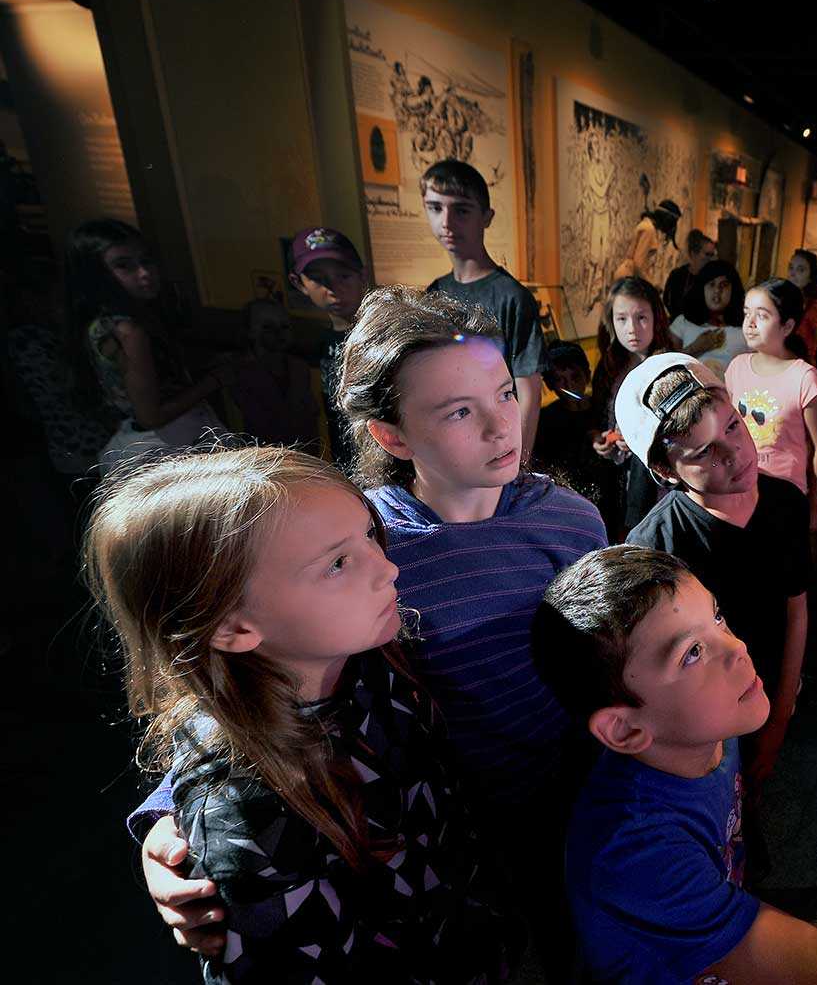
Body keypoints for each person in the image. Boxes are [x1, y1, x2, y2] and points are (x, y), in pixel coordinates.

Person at [135, 288, 607, 983]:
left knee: (574, 934)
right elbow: (252, 674)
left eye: (506, 394)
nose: (501, 426)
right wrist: (165, 820)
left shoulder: (569, 519)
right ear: (391, 435)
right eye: (458, 412)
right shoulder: (360, 540)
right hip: (444, 819)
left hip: (570, 788)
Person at [90, 446, 517, 982]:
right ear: (233, 627)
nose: (387, 566)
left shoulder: (370, 652)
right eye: (338, 563)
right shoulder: (249, 818)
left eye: (370, 534)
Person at [531, 544, 817, 983]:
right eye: (692, 653)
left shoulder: (707, 728)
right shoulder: (637, 856)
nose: (737, 647)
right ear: (625, 731)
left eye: (717, 616)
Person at [619, 354, 810, 788]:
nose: (735, 453)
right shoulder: (654, 548)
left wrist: (779, 716)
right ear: (666, 471)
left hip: (775, 686)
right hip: (709, 720)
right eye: (705, 452)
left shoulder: (786, 502)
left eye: (732, 426)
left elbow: (796, 607)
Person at [64, 218, 231, 470]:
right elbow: (149, 416)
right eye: (124, 265)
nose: (144, 273)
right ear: (95, 273)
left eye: (146, 260)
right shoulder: (128, 331)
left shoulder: (98, 321)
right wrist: (214, 380)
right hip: (162, 449)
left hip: (137, 445)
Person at [421, 159, 548, 459]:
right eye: (436, 208)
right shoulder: (435, 293)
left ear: (486, 217)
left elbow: (528, 390)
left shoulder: (511, 297)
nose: (447, 223)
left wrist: (519, 462)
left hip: (496, 440)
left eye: (461, 210)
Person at [726, 278, 817, 531]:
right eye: (746, 313)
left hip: (785, 493)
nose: (750, 323)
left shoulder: (805, 377)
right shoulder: (737, 367)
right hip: (739, 487)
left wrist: (816, 505)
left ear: (787, 326)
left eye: (761, 315)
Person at [589, 276, 676, 539]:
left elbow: (683, 427)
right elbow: (596, 419)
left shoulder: (668, 366)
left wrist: (642, 438)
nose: (632, 329)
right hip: (615, 481)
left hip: (655, 482)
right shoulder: (608, 368)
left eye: (641, 318)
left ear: (656, 318)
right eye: (622, 318)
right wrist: (599, 440)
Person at [285, 225, 369, 467]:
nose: (333, 289)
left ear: (362, 276)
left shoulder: (382, 334)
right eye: (318, 279)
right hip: (345, 462)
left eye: (343, 276)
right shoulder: (323, 341)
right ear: (299, 283)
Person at [222, 299, 322, 451]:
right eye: (267, 327)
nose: (278, 332)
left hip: (302, 456)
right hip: (260, 457)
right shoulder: (238, 371)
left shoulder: (299, 368)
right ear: (250, 332)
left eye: (284, 326)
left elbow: (311, 415)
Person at [533, 339, 606, 505]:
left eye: (575, 376)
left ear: (587, 375)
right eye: (560, 380)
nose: (570, 385)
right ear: (550, 384)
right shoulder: (545, 421)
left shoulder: (603, 408)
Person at [668, 257, 749, 377]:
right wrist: (695, 348)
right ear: (702, 288)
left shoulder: (746, 327)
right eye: (711, 284)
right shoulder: (683, 322)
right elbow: (664, 362)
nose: (717, 290)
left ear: (733, 290)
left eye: (724, 285)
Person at [785, 248, 817, 362]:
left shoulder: (813, 306)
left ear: (810, 277)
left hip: (801, 369)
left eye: (800, 270)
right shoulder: (781, 298)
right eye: (791, 267)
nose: (792, 273)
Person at [662, 227, 716, 317]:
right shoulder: (677, 275)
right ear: (694, 253)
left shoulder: (714, 280)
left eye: (712, 255)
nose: (711, 259)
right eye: (707, 254)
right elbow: (667, 300)